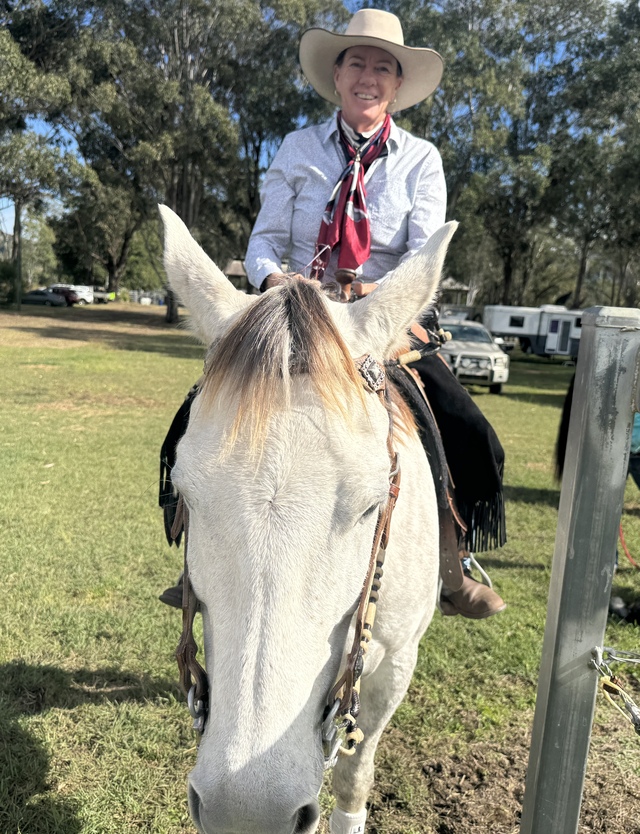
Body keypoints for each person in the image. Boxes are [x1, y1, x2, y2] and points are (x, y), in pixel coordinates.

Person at [238, 8, 506, 619]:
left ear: (397, 84)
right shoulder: (297, 148)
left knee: (463, 429)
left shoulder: (422, 160)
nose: (368, 75)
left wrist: (380, 294)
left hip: (385, 319)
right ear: (336, 74)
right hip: (299, 313)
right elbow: (263, 241)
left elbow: (426, 254)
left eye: (382, 67)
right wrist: (276, 278)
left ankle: (450, 562)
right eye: (356, 61)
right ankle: (199, 554)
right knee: (203, 411)